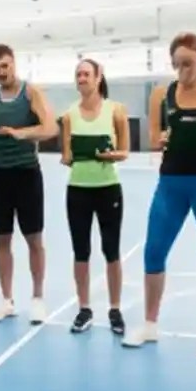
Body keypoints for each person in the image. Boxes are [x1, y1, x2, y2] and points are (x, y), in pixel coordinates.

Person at [122, 32, 196, 359]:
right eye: (176, 64)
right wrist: (161, 138)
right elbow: (153, 136)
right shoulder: (162, 94)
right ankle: (149, 323)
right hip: (171, 182)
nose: (182, 70)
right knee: (153, 251)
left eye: (187, 63)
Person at [0, 44, 59, 324]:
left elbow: (51, 128)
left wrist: (20, 134)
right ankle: (6, 300)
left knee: (34, 239)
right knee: (2, 238)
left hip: (27, 173)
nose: (1, 72)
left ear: (13, 64)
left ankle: (37, 298)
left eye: (5, 66)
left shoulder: (31, 93)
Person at [61, 59, 128, 335]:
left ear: (99, 77)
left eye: (86, 73)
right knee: (81, 251)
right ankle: (84, 308)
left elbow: (124, 151)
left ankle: (114, 309)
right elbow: (66, 156)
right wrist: (78, 154)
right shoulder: (68, 115)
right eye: (78, 74)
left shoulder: (116, 110)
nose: (81, 78)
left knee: (111, 250)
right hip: (78, 189)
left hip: (108, 187)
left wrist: (108, 155)